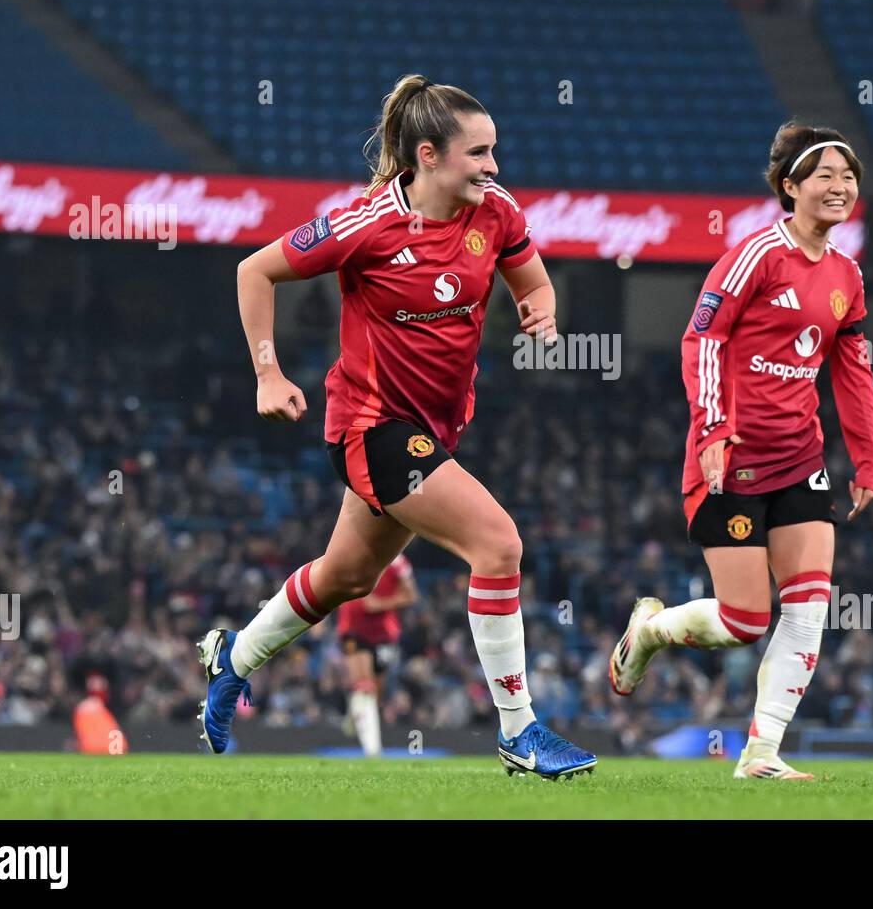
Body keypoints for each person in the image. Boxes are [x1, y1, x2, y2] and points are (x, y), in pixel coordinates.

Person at [199, 74, 596, 778]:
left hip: (435, 431)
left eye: (494, 150)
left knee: (346, 576)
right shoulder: (364, 225)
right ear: (429, 155)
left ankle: (234, 657)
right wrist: (267, 371)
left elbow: (534, 280)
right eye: (478, 152)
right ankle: (519, 731)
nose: (494, 166)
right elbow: (253, 271)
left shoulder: (496, 211)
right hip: (371, 427)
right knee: (499, 543)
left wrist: (543, 311)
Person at [610, 124, 873, 780]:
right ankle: (650, 630)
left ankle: (761, 754)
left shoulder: (848, 274)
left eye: (849, 176)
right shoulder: (754, 255)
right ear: (790, 187)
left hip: (801, 461)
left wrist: (869, 457)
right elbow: (701, 339)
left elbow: (853, 368)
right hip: (732, 461)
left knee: (810, 601)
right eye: (825, 175)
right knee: (743, 621)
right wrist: (710, 428)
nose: (840, 187)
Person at [338, 553, 417, 756]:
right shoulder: (356, 550)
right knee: (364, 685)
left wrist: (381, 604)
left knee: (376, 692)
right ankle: (372, 749)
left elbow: (411, 595)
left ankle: (354, 713)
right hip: (353, 627)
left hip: (383, 633)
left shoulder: (398, 563)